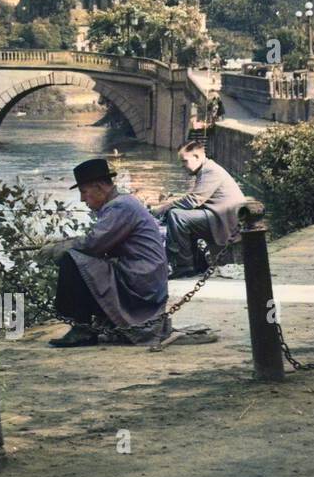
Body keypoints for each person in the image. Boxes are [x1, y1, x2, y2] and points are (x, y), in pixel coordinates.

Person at [39, 158, 170, 348]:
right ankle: (89, 325)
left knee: (72, 260)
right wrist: (64, 243)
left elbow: (93, 244)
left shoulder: (120, 206)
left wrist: (61, 247)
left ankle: (82, 329)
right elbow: (99, 240)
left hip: (141, 278)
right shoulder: (123, 203)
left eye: (84, 192)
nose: (83, 199)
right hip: (143, 275)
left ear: (99, 187)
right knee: (78, 257)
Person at [151, 141, 246, 279]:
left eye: (184, 161)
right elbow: (195, 199)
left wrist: (164, 208)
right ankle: (195, 264)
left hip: (225, 221)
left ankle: (184, 267)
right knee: (179, 216)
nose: (182, 166)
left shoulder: (210, 170)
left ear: (197, 157)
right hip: (221, 216)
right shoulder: (206, 169)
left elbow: (194, 200)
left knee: (178, 217)